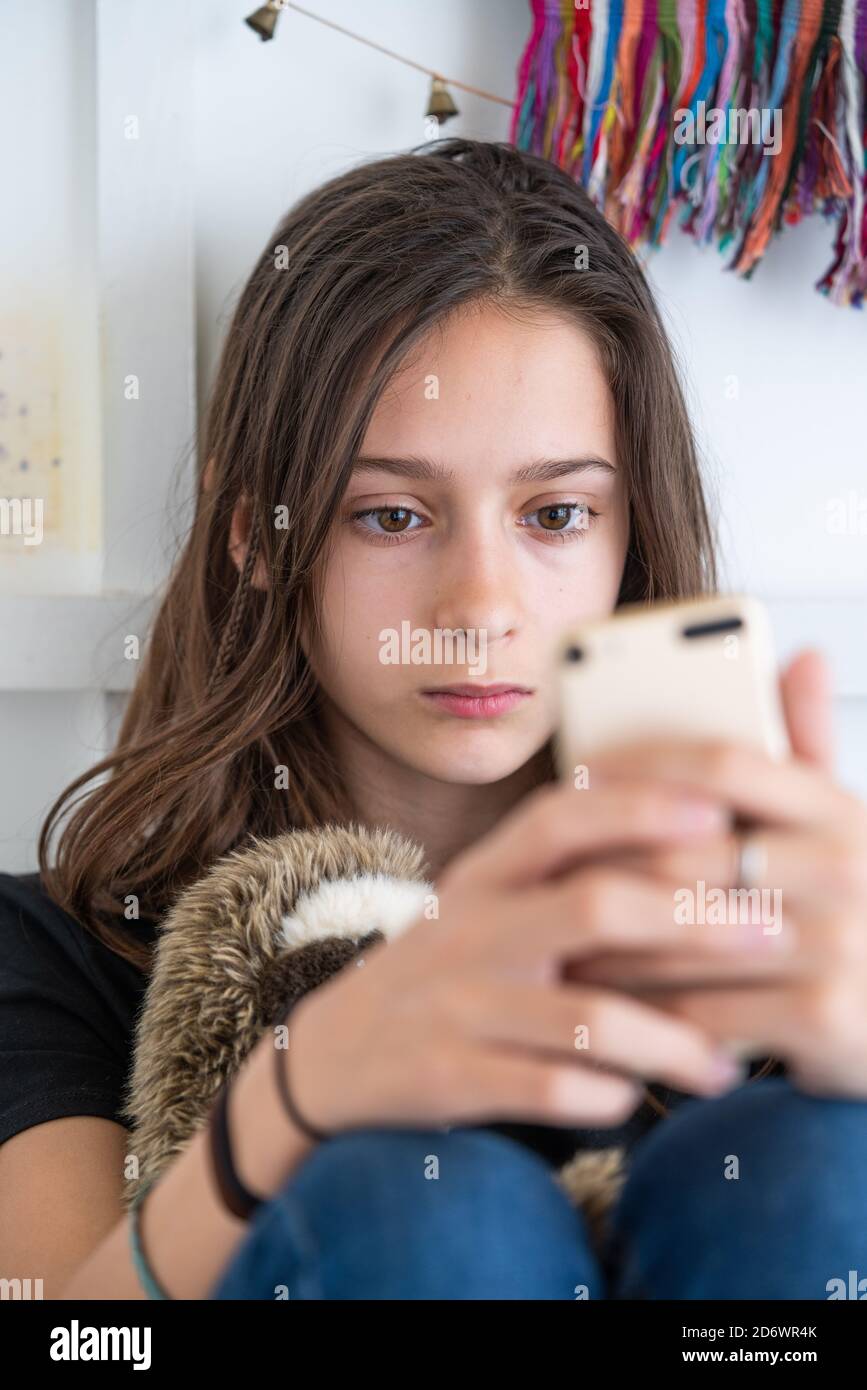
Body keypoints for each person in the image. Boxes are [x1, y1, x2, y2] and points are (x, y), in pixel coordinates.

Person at [1, 139, 866, 1301]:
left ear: (631, 537)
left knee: (812, 1152)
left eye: (555, 512)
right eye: (394, 515)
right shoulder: (66, 954)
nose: (480, 607)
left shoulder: (775, 930)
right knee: (418, 1200)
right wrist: (285, 1115)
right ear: (258, 533)